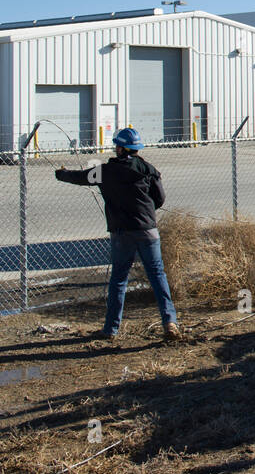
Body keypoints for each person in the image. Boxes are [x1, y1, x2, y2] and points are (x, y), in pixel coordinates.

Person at [55, 127, 180, 341]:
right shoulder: (148, 169)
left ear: (122, 148)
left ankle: (111, 329)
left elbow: (81, 177)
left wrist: (61, 174)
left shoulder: (105, 171)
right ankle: (170, 322)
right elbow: (159, 199)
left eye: (117, 146)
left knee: (119, 280)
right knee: (158, 276)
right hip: (148, 230)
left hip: (122, 233)